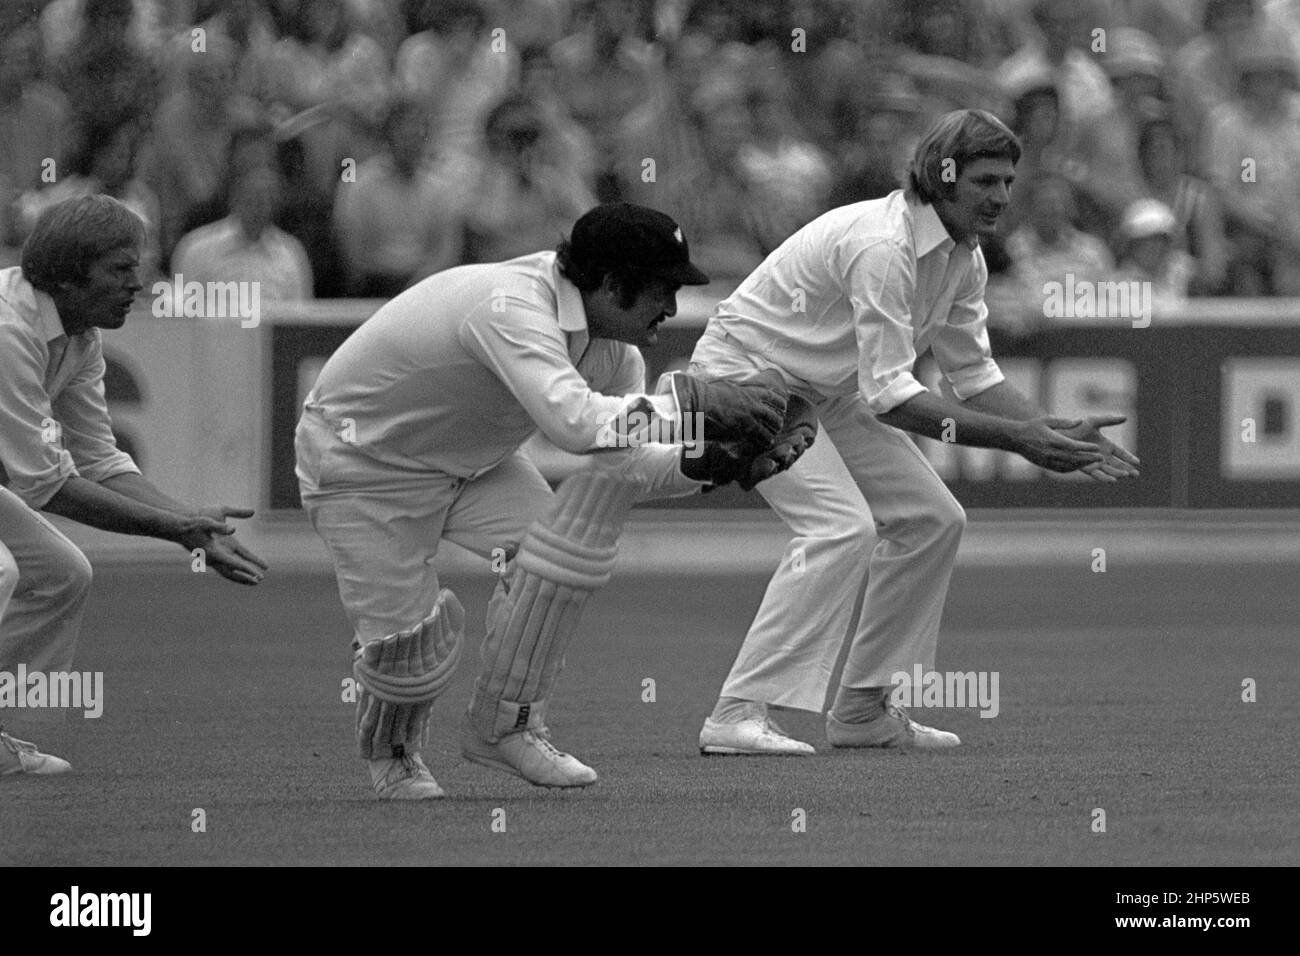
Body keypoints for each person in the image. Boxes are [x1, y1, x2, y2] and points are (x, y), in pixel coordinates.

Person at [295, 202, 802, 800]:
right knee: (407, 656)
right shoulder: (511, 306)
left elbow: (622, 464)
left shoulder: (615, 352)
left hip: (471, 465)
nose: (671, 308)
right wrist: (696, 407)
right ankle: (395, 756)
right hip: (362, 467)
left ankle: (504, 727)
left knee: (560, 558)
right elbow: (574, 424)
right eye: (662, 290)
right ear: (612, 285)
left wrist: (713, 463)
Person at [688, 110, 1139, 757]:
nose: (1002, 196)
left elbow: (973, 373)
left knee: (933, 518)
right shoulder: (883, 245)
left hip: (826, 391)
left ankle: (865, 709)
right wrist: (1020, 442)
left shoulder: (965, 255)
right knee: (840, 527)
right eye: (986, 180)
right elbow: (893, 396)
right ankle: (736, 713)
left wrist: (1049, 429)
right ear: (942, 175)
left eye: (1009, 180)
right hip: (744, 381)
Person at [0, 194, 267, 776]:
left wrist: (191, 518)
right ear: (69, 277)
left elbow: (97, 459)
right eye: (120, 269)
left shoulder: (79, 333)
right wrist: (177, 530)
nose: (139, 284)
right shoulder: (8, 327)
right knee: (5, 569)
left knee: (61, 572)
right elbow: (47, 485)